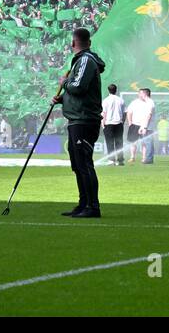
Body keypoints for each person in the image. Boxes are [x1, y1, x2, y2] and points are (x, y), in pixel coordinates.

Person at [53, 27, 105, 217]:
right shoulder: (83, 60)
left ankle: (93, 207)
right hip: (77, 119)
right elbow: (77, 92)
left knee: (84, 164)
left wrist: (65, 82)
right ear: (88, 42)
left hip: (84, 119)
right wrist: (63, 99)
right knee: (78, 165)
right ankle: (83, 204)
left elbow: (78, 86)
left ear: (73, 43)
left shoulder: (85, 60)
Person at [126, 88, 155, 164]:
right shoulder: (134, 102)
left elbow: (149, 115)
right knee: (133, 142)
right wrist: (130, 123)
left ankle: (145, 158)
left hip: (145, 126)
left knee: (145, 142)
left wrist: (144, 127)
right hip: (136, 125)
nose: (139, 95)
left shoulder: (149, 102)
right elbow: (129, 112)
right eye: (139, 93)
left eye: (140, 93)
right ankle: (133, 157)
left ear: (144, 94)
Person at [102, 83, 125, 165]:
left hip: (109, 123)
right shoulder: (121, 100)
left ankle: (111, 160)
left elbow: (104, 113)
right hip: (119, 123)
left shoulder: (105, 100)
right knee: (119, 142)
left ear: (108, 90)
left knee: (109, 142)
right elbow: (123, 113)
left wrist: (103, 124)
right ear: (116, 90)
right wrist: (123, 122)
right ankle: (120, 160)